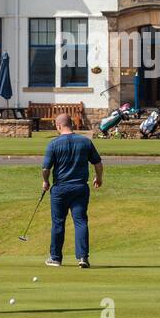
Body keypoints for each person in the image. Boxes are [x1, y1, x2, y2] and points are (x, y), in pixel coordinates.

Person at [41, 113, 103, 269]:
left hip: (60, 188)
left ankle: (55, 258)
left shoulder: (53, 144)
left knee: (58, 223)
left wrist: (45, 181)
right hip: (80, 187)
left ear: (59, 126)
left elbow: (46, 168)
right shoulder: (85, 142)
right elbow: (97, 163)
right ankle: (83, 257)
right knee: (81, 221)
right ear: (72, 124)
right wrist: (98, 177)